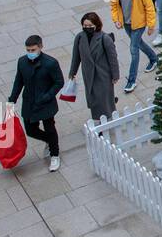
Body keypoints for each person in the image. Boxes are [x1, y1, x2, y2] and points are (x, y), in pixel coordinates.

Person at [8, 35, 64, 172]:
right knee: (30, 130)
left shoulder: (50, 63)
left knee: (50, 128)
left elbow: (59, 82)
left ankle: (55, 155)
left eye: (33, 50)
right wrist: (12, 100)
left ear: (40, 47)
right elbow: (18, 82)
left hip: (45, 102)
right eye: (28, 50)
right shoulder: (22, 62)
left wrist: (48, 95)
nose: (30, 53)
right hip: (29, 102)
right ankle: (49, 141)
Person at [110, 0, 158, 94]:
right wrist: (116, 20)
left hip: (139, 23)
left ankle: (132, 80)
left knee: (133, 49)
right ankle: (154, 59)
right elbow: (114, 5)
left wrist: (151, 25)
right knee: (139, 44)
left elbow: (149, 6)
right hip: (126, 23)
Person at [68, 12, 119, 122]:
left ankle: (106, 119)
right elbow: (76, 56)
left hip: (102, 74)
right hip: (88, 74)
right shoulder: (80, 37)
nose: (87, 28)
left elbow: (113, 58)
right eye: (85, 26)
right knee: (94, 98)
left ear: (96, 25)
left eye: (90, 26)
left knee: (103, 98)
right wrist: (73, 72)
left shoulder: (104, 38)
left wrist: (115, 75)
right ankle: (99, 119)